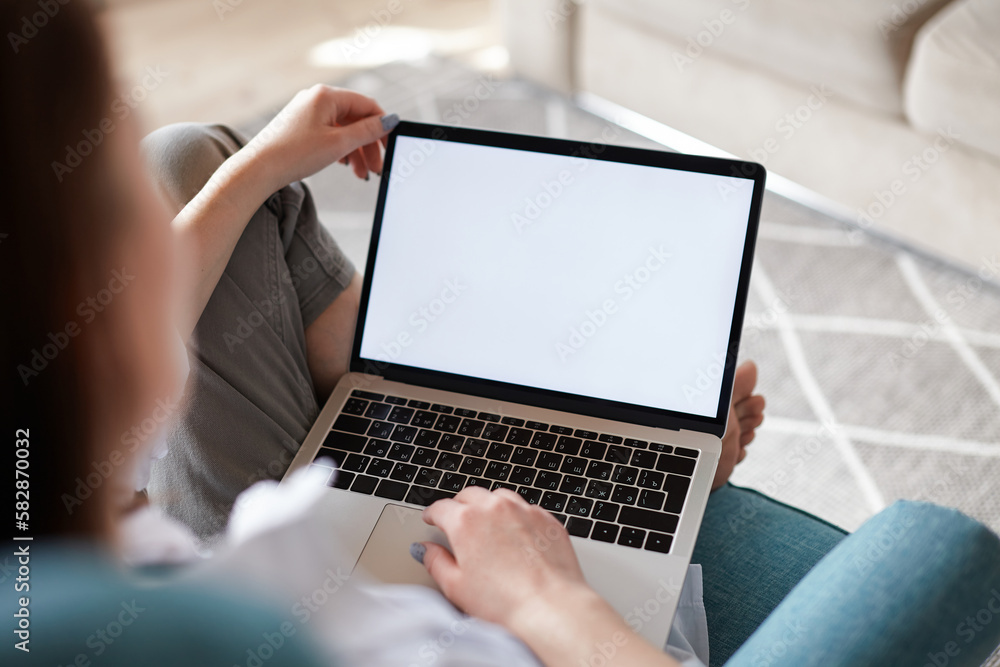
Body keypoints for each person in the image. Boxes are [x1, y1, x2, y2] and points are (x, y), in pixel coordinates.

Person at [4, 2, 1000, 666]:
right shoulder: (197, 635)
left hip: (248, 520)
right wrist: (544, 598)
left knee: (192, 156)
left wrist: (254, 165)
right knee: (938, 548)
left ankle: (431, 388)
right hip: (501, 620)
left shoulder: (59, 537)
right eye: (111, 210)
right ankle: (533, 411)